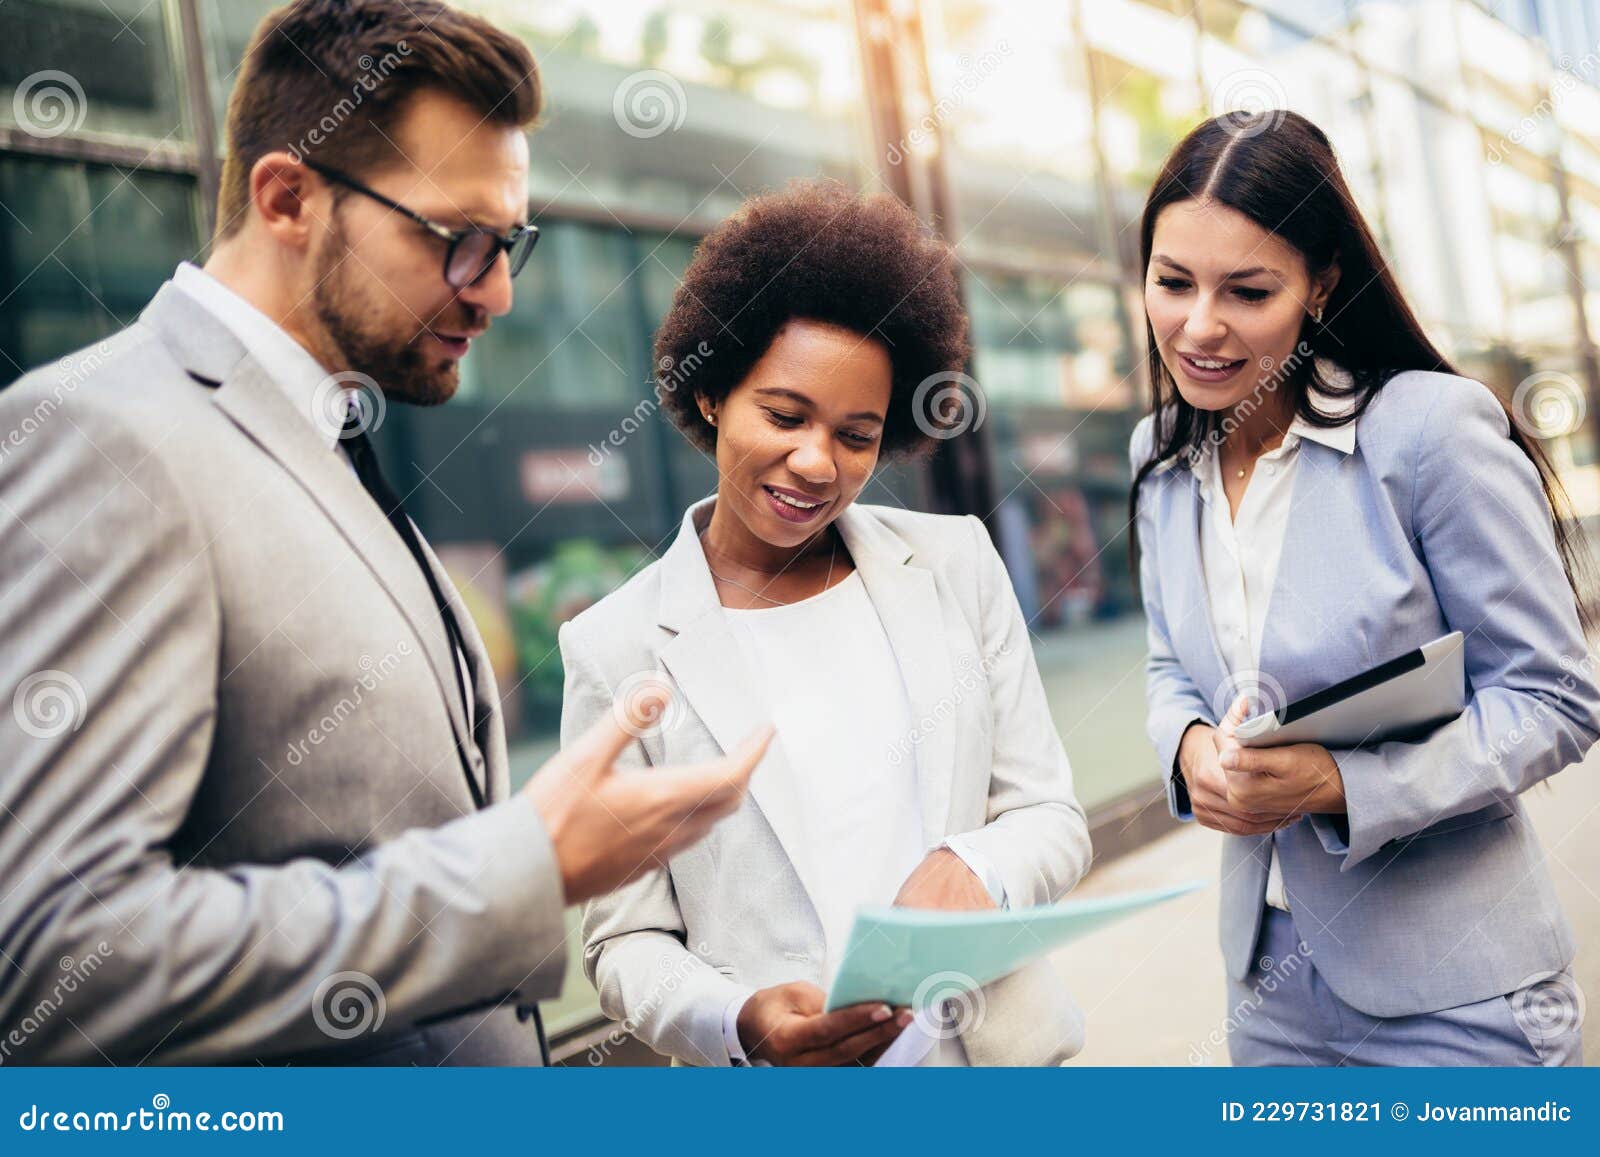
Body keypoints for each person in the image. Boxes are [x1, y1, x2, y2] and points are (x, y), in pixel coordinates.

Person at [0, 0, 770, 1066]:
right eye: (459, 240)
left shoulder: (325, 429)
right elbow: (54, 963)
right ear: (287, 199)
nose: (496, 290)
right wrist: (525, 867)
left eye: (509, 244)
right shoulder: (104, 437)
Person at [568, 181, 1091, 1067]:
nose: (816, 461)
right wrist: (740, 1019)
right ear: (710, 396)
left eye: (857, 435)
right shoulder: (616, 646)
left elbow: (1050, 815)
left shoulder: (955, 564)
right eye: (784, 414)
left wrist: (980, 866)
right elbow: (622, 942)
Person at [1131, 110, 1599, 1065]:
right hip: (1266, 985)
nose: (1200, 325)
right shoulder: (1161, 455)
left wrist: (1345, 783)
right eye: (1172, 282)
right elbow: (1166, 664)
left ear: (1321, 285)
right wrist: (1188, 748)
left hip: (1457, 996)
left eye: (1248, 291)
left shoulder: (1428, 433)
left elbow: (1554, 696)